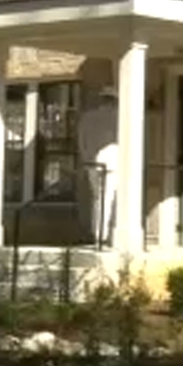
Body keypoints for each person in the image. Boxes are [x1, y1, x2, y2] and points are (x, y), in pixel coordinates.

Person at [77, 88, 119, 247]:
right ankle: (104, 235)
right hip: (113, 161)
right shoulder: (119, 116)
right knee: (108, 197)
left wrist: (86, 158)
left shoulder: (87, 117)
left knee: (97, 198)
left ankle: (98, 234)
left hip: (92, 162)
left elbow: (81, 141)